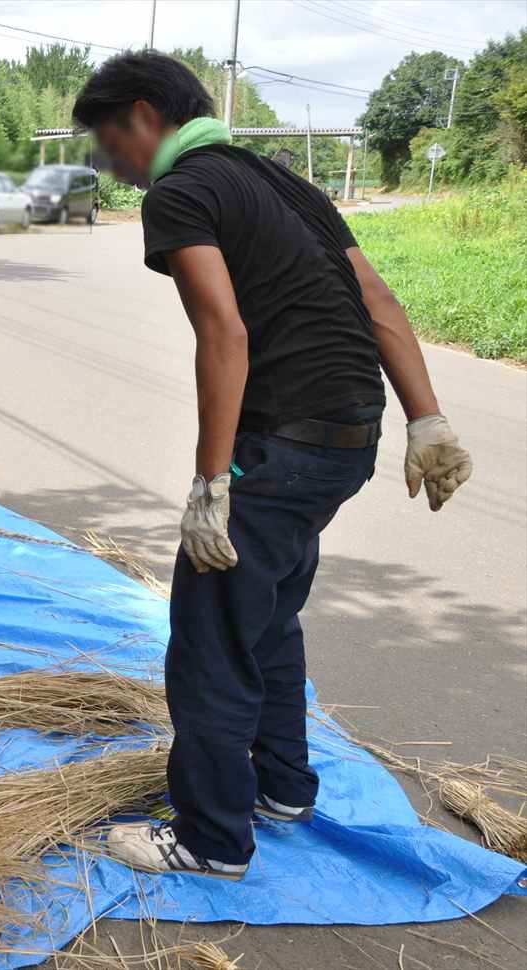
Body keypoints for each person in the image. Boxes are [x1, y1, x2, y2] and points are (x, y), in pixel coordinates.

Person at [70, 53, 473, 880]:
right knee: (269, 611)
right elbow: (379, 302)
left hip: (277, 450)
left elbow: (224, 333)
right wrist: (425, 419)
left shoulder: (182, 193)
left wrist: (211, 482)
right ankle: (283, 787)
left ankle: (211, 837)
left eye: (107, 141)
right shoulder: (283, 182)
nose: (108, 163)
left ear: (144, 116)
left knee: (211, 640)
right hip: (347, 442)